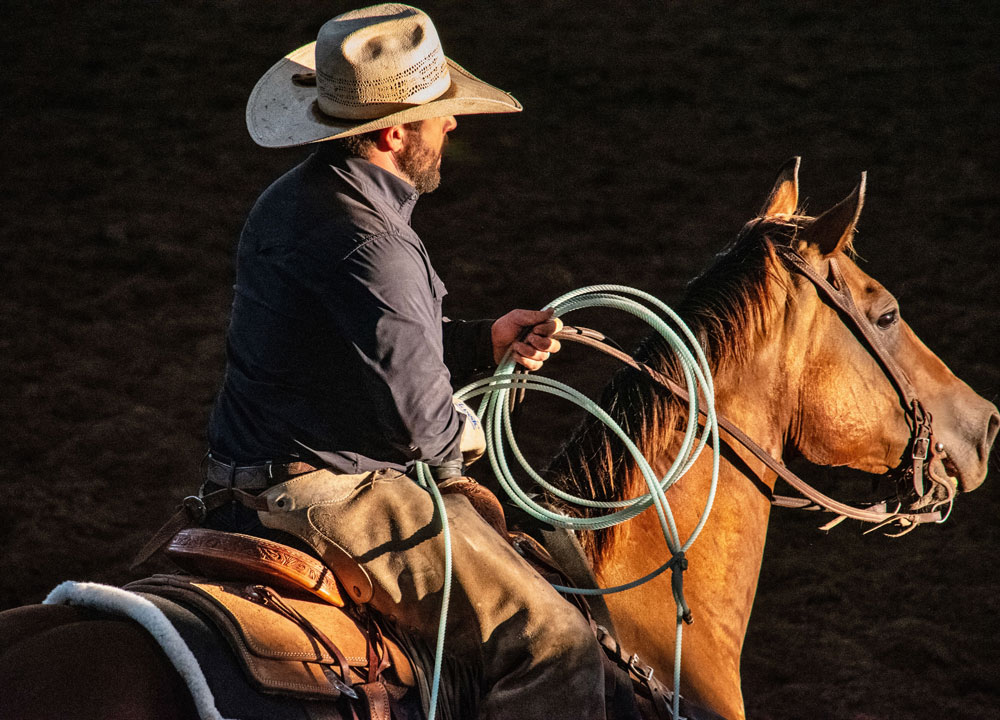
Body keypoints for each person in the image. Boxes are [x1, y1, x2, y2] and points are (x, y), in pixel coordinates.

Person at [200, 5, 606, 719]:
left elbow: (354, 340)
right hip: (330, 495)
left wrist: (483, 340)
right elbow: (424, 431)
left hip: (241, 477)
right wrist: (471, 430)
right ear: (392, 133)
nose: (452, 124)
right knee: (555, 644)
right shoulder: (375, 243)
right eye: (438, 113)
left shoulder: (295, 197)